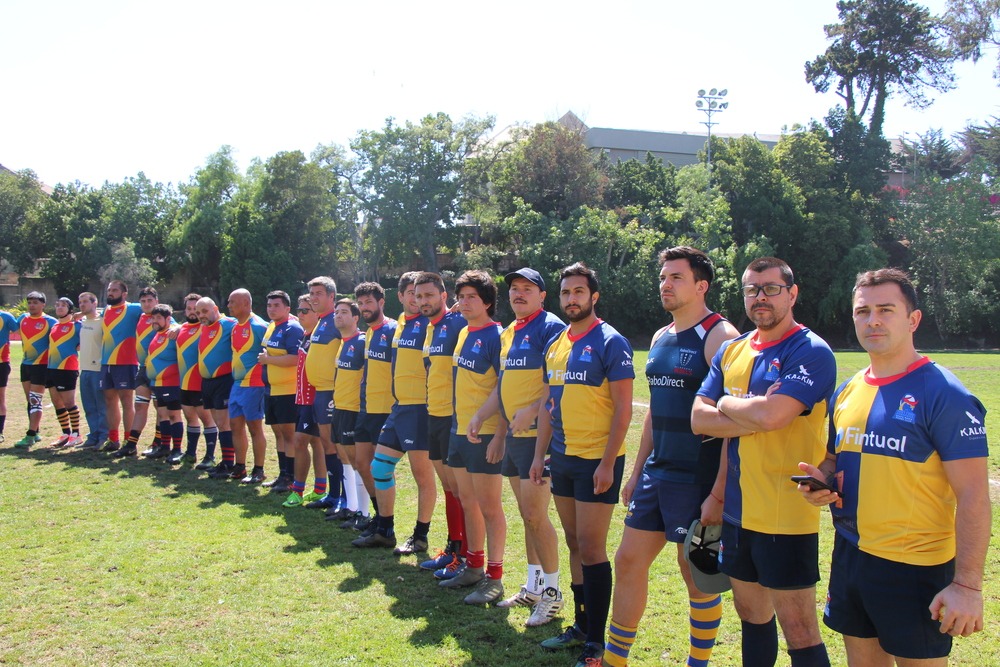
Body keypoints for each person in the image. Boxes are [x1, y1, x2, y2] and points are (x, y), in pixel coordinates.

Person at [797, 268, 990, 666]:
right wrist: (821, 480)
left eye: (886, 309)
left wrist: (967, 586)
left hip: (915, 567)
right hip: (851, 555)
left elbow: (973, 493)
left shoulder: (944, 394)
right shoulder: (848, 391)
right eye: (863, 311)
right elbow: (835, 459)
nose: (874, 320)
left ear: (913, 319)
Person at [691, 256, 836, 667]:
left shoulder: (810, 351)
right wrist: (750, 411)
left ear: (792, 293)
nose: (761, 297)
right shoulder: (733, 349)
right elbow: (698, 420)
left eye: (771, 288)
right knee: (752, 616)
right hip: (738, 512)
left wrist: (725, 402)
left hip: (787, 513)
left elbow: (773, 416)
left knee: (800, 629)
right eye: (752, 289)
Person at [602, 247, 739, 667]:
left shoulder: (721, 336)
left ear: (701, 286)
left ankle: (698, 662)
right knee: (627, 561)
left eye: (676, 277)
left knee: (695, 573)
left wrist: (718, 491)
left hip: (698, 478)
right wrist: (637, 471)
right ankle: (615, 659)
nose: (665, 284)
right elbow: (654, 414)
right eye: (663, 277)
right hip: (656, 476)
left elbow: (732, 424)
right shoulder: (661, 338)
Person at [529, 263, 634, 667]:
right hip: (564, 459)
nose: (571, 299)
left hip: (598, 463)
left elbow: (624, 410)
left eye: (579, 292)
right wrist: (540, 456)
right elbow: (548, 407)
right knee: (574, 544)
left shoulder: (611, 341)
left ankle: (596, 642)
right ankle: (580, 625)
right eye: (566, 293)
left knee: (591, 548)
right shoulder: (556, 344)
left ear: (594, 296)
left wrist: (608, 463)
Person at [467, 267, 566, 624]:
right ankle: (534, 587)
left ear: (542, 295)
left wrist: (532, 411)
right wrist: (483, 415)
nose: (519, 294)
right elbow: (503, 386)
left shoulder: (551, 327)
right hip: (515, 439)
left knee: (537, 517)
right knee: (528, 517)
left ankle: (553, 595)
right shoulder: (509, 332)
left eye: (528, 288)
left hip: (541, 438)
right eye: (514, 289)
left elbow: (555, 382)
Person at [354, 272, 437, 552]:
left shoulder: (431, 323)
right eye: (411, 293)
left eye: (421, 294)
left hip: (421, 410)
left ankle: (421, 536)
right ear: (400, 296)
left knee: (422, 476)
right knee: (379, 466)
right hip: (399, 408)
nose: (417, 299)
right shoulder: (400, 323)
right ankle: (385, 529)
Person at [439, 270, 508, 605]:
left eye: (471, 297)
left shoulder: (498, 335)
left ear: (488, 302)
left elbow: (505, 387)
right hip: (459, 429)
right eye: (461, 296)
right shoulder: (464, 330)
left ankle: (495, 578)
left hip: (486, 433)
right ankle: (473, 566)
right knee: (467, 501)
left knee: (490, 507)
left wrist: (500, 434)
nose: (464, 303)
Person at [414, 272, 469, 576]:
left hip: (452, 416)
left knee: (460, 490)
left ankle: (464, 556)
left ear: (444, 296)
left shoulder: (457, 323)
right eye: (419, 296)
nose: (423, 301)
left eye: (429, 295)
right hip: (432, 414)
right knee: (449, 487)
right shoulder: (429, 328)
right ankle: (453, 547)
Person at [350, 282, 397, 531]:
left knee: (381, 469)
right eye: (361, 303)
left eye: (368, 302)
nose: (364, 307)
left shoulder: (392, 330)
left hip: (386, 409)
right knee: (361, 463)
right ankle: (379, 515)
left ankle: (386, 522)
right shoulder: (368, 332)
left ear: (381, 302)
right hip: (366, 407)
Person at [322, 298, 368, 521]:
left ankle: (364, 512)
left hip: (353, 409)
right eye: (336, 312)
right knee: (344, 458)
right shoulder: (343, 342)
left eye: (343, 312)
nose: (338, 316)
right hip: (339, 407)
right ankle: (350, 506)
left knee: (358, 461)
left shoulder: (361, 342)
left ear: (355, 318)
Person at [283, 295, 326, 508]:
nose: (300, 314)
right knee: (316, 442)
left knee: (300, 441)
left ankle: (297, 490)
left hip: (314, 399)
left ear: (318, 312)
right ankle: (319, 489)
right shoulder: (306, 334)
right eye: (298, 310)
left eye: (305, 311)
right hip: (302, 399)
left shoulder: (321, 335)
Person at [259, 290, 304, 491]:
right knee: (278, 433)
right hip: (271, 389)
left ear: (287, 308)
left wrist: (268, 360)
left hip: (287, 390)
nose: (272, 309)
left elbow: (296, 358)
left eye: (276, 305)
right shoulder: (271, 327)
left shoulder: (292, 328)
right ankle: (283, 475)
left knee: (288, 434)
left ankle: (291, 478)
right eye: (269, 305)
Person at [113, 287, 163, 459]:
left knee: (159, 408)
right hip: (142, 368)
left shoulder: (162, 316)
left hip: (159, 369)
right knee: (140, 405)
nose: (146, 304)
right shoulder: (140, 316)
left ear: (156, 301)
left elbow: (176, 327)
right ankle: (131, 444)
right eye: (143, 301)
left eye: (150, 300)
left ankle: (158, 443)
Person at [228, 288, 269, 484]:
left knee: (254, 427)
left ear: (245, 303)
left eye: (232, 302)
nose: (229, 306)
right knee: (235, 425)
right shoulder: (235, 326)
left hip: (254, 384)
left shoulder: (259, 326)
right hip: (237, 384)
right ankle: (240, 466)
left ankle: (259, 469)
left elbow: (272, 349)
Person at [172, 293, 218, 467]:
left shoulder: (207, 327)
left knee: (206, 419)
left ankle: (210, 456)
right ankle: (190, 454)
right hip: (184, 382)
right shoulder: (181, 327)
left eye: (197, 310)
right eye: (190, 309)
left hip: (200, 383)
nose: (194, 313)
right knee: (189, 417)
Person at [195, 297, 237, 479]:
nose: (201, 316)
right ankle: (225, 461)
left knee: (224, 423)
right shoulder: (203, 327)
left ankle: (229, 464)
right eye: (198, 313)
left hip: (224, 381)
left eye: (204, 311)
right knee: (219, 424)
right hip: (207, 382)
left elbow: (251, 324)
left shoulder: (229, 324)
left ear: (215, 308)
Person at [99, 280, 143, 453]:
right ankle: (113, 439)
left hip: (126, 362)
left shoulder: (134, 308)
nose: (111, 293)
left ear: (124, 293)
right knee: (110, 401)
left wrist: (176, 327)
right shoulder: (105, 310)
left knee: (126, 402)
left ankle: (128, 442)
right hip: (106, 362)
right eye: (109, 290)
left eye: (115, 290)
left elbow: (158, 313)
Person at [14, 291, 56, 448]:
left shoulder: (50, 321)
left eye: (35, 302)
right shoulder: (22, 319)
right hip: (25, 365)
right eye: (30, 302)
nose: (32, 305)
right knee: (30, 401)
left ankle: (30, 435)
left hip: (41, 366)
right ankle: (36, 431)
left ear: (43, 304)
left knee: (35, 400)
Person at [145, 304, 184, 460]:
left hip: (171, 383)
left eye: (158, 318)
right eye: (153, 318)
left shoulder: (173, 333)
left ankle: (177, 449)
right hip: (158, 383)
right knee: (162, 415)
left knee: (174, 415)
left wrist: (178, 327)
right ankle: (164, 447)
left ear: (168, 319)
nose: (155, 321)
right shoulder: (157, 333)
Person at [45, 297, 83, 448]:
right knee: (57, 403)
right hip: (51, 368)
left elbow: (84, 342)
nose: (60, 308)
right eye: (58, 305)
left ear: (70, 309)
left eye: (64, 305)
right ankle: (65, 434)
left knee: (69, 403)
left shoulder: (76, 325)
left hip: (67, 369)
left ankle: (76, 435)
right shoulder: (54, 326)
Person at [76, 292, 108, 450]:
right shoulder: (81, 322)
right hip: (84, 369)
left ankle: (104, 436)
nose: (82, 305)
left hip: (98, 369)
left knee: (101, 406)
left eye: (85, 302)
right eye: (80, 302)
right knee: (89, 406)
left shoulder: (102, 321)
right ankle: (93, 436)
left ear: (95, 303)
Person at [0, 306, 19, 443]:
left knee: (0, 398)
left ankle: (0, 431)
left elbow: (21, 332)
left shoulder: (6, 316)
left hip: (1, 363)